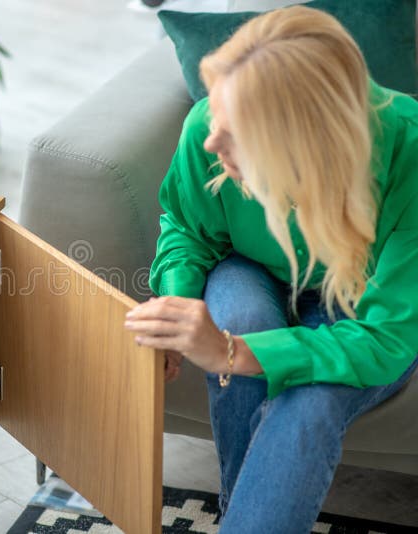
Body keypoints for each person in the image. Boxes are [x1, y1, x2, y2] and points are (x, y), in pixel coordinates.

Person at [122, 5, 418, 532]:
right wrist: (180, 308)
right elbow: (188, 228)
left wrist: (230, 351)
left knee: (308, 402)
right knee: (239, 317)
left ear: (304, 147)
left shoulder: (409, 154)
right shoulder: (209, 126)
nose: (213, 143)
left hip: (364, 309)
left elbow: (385, 337)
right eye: (216, 121)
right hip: (251, 268)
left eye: (234, 137)